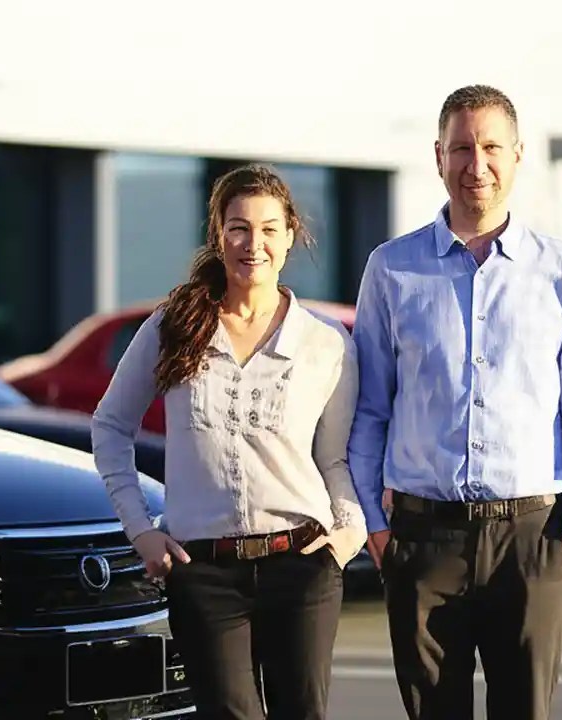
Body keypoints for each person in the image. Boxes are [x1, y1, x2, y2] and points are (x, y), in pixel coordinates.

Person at [348, 84, 562, 720]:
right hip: (423, 542)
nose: (478, 164)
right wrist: (378, 532)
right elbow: (369, 411)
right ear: (438, 156)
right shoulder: (392, 270)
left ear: (519, 155)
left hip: (531, 541)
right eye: (462, 148)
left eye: (492, 147)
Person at [91, 163, 367, 720]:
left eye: (269, 229)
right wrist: (141, 531)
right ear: (218, 233)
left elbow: (334, 458)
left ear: (291, 236)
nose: (253, 244)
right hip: (204, 574)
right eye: (239, 227)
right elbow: (110, 427)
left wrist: (348, 536)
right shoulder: (174, 326)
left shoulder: (325, 342)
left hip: (303, 564)